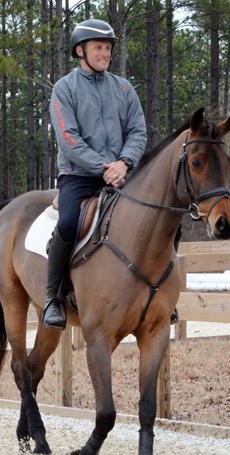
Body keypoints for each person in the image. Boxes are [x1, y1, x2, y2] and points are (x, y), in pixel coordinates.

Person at [44, 19, 147, 328]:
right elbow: (69, 140)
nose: (105, 54)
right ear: (81, 51)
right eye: (99, 47)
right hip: (78, 175)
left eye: (108, 48)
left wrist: (124, 163)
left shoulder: (124, 88)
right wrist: (105, 167)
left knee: (157, 216)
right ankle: (53, 298)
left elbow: (138, 131)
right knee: (67, 222)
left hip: (121, 173)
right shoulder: (64, 89)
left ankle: (156, 293)